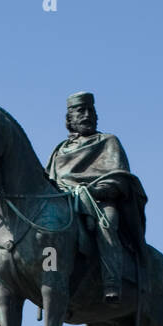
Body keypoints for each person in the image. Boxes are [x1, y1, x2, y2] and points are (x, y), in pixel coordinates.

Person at [45, 91, 147, 303]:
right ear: (69, 119)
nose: (87, 114)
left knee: (107, 224)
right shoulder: (59, 150)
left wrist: (96, 190)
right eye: (80, 110)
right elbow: (48, 181)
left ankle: (112, 282)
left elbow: (120, 179)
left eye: (91, 110)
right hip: (65, 202)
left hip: (98, 202)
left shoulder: (108, 141)